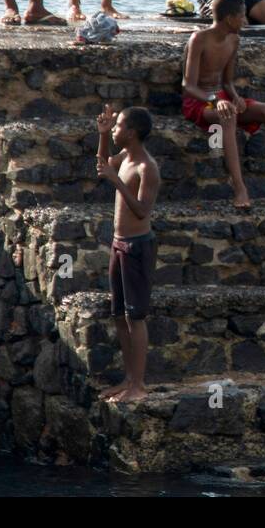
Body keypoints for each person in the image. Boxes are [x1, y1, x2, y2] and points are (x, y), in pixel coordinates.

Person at [181, 0, 265, 209]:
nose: (244, 21)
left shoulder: (234, 39)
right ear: (230, 18)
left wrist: (235, 97)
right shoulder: (199, 39)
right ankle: (240, 190)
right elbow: (188, 85)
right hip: (199, 102)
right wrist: (215, 101)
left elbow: (228, 81)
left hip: (221, 98)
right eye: (242, 16)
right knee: (228, 113)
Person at [94, 103, 160, 403]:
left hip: (137, 246)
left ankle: (139, 385)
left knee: (136, 317)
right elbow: (104, 163)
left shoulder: (147, 167)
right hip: (118, 244)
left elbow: (143, 210)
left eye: (118, 125)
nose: (116, 128)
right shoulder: (124, 157)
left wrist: (116, 180)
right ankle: (128, 378)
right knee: (119, 315)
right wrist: (104, 135)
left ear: (132, 133)